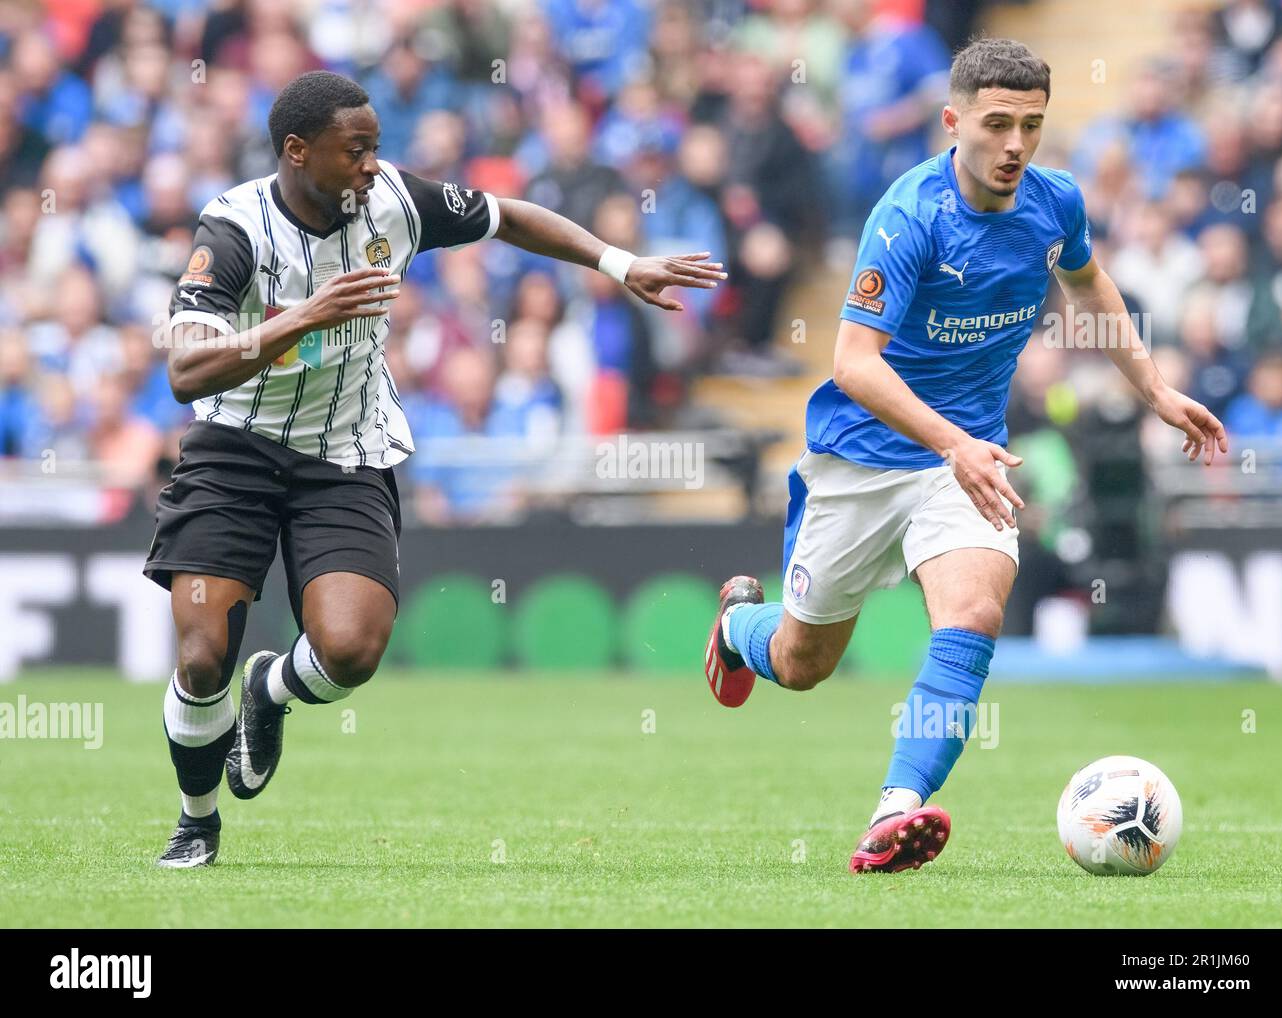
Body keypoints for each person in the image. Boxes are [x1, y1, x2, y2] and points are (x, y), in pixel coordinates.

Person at [146, 70, 725, 868]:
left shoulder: (394, 202)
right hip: (235, 449)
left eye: (377, 148)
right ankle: (197, 820)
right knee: (202, 652)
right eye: (356, 151)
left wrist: (619, 265)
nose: (372, 166)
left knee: (349, 651)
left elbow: (508, 216)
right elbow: (184, 372)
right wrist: (304, 317)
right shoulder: (233, 230)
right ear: (296, 150)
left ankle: (270, 691)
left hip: (344, 451)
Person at [702, 38, 1227, 874]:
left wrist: (1154, 390)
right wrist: (949, 442)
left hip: (971, 459)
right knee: (803, 664)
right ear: (954, 123)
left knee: (974, 614)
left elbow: (1090, 286)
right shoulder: (908, 217)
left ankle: (894, 810)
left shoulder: (1054, 205)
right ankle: (737, 625)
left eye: (1032, 125)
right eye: (996, 125)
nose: (1016, 144)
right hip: (862, 459)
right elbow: (852, 364)